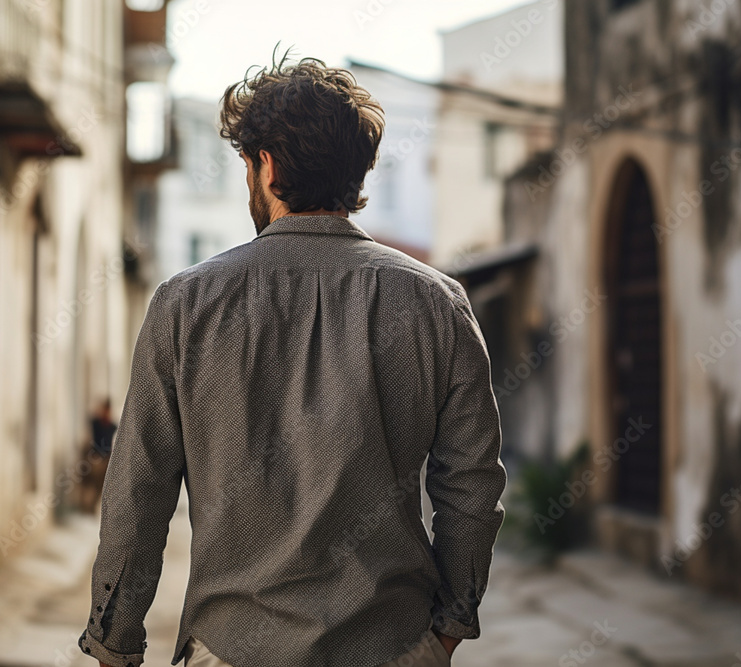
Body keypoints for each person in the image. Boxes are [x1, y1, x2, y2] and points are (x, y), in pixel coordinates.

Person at [79, 48, 506, 667]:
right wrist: (446, 631)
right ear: (357, 171)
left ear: (268, 165)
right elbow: (472, 485)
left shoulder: (185, 304)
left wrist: (113, 643)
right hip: (392, 649)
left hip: (229, 651)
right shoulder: (436, 305)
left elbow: (138, 492)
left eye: (247, 165)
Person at [81, 398, 117, 514]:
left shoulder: (112, 426)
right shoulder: (96, 423)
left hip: (106, 459)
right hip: (95, 458)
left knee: (103, 485)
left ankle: (97, 507)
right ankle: (89, 506)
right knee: (92, 483)